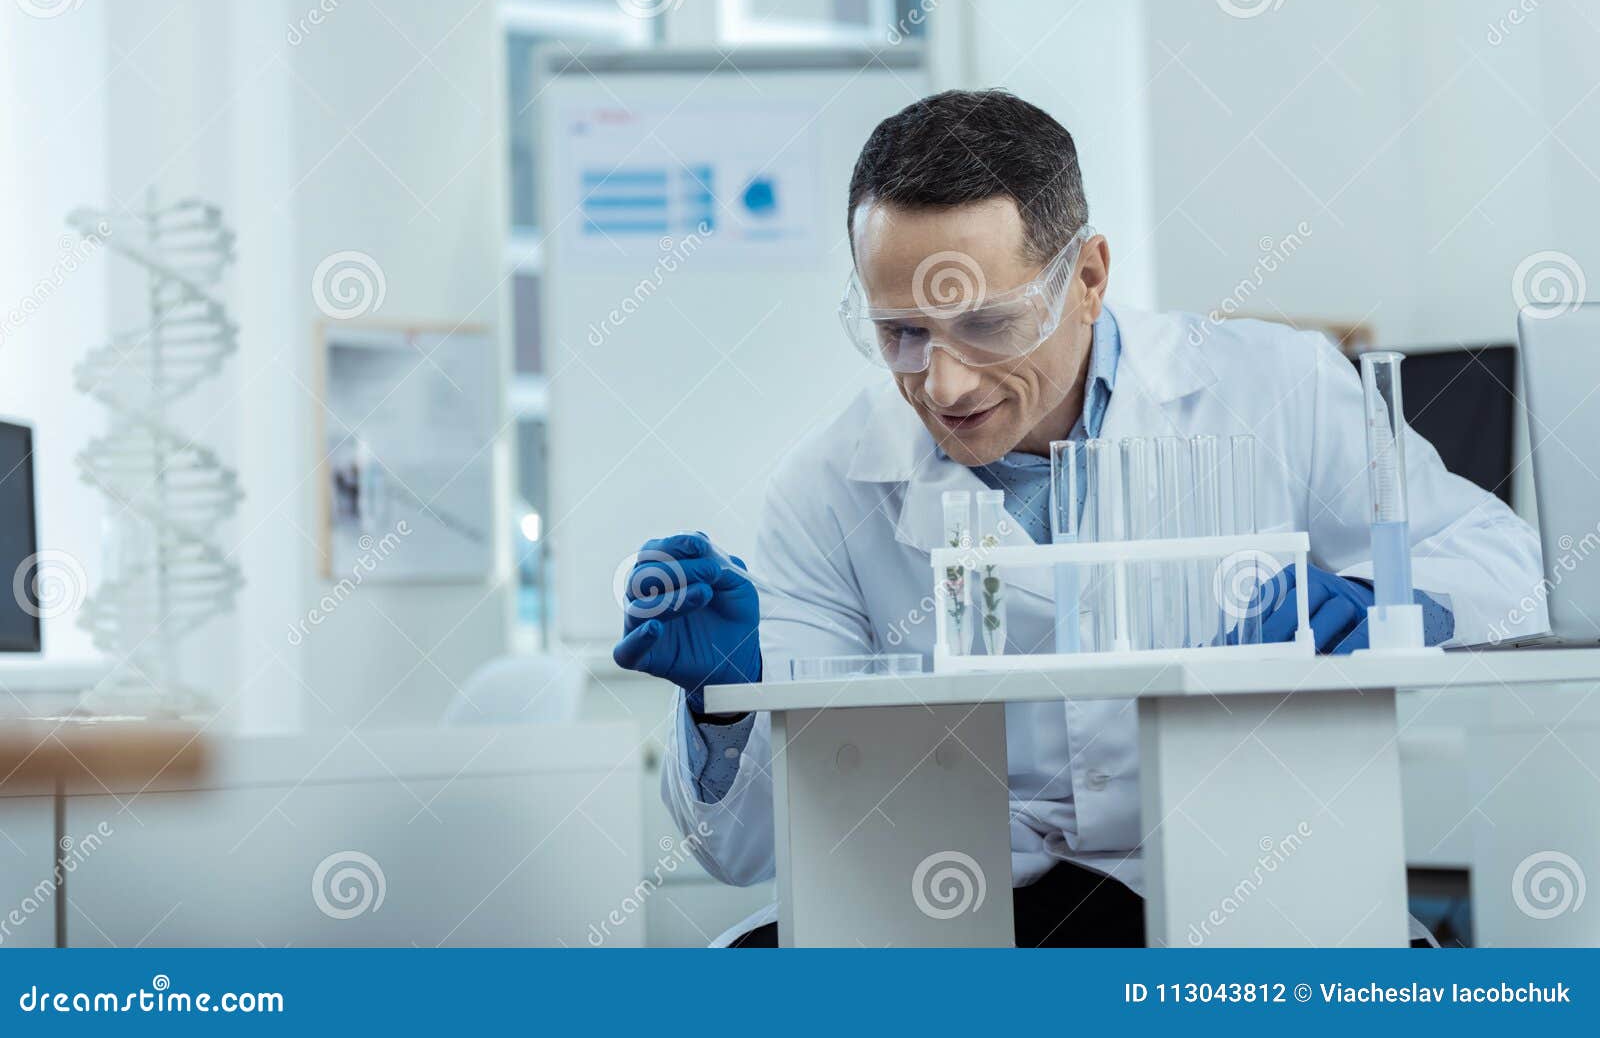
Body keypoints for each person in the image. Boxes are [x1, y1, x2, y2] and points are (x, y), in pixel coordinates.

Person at [612, 89, 1544, 946]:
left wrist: (1385, 598)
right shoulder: (828, 488)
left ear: (1087, 277)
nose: (943, 383)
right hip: (944, 917)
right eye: (901, 333)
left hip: (1244, 898)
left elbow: (1509, 565)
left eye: (985, 323)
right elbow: (738, 854)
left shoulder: (1277, 390)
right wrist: (726, 705)